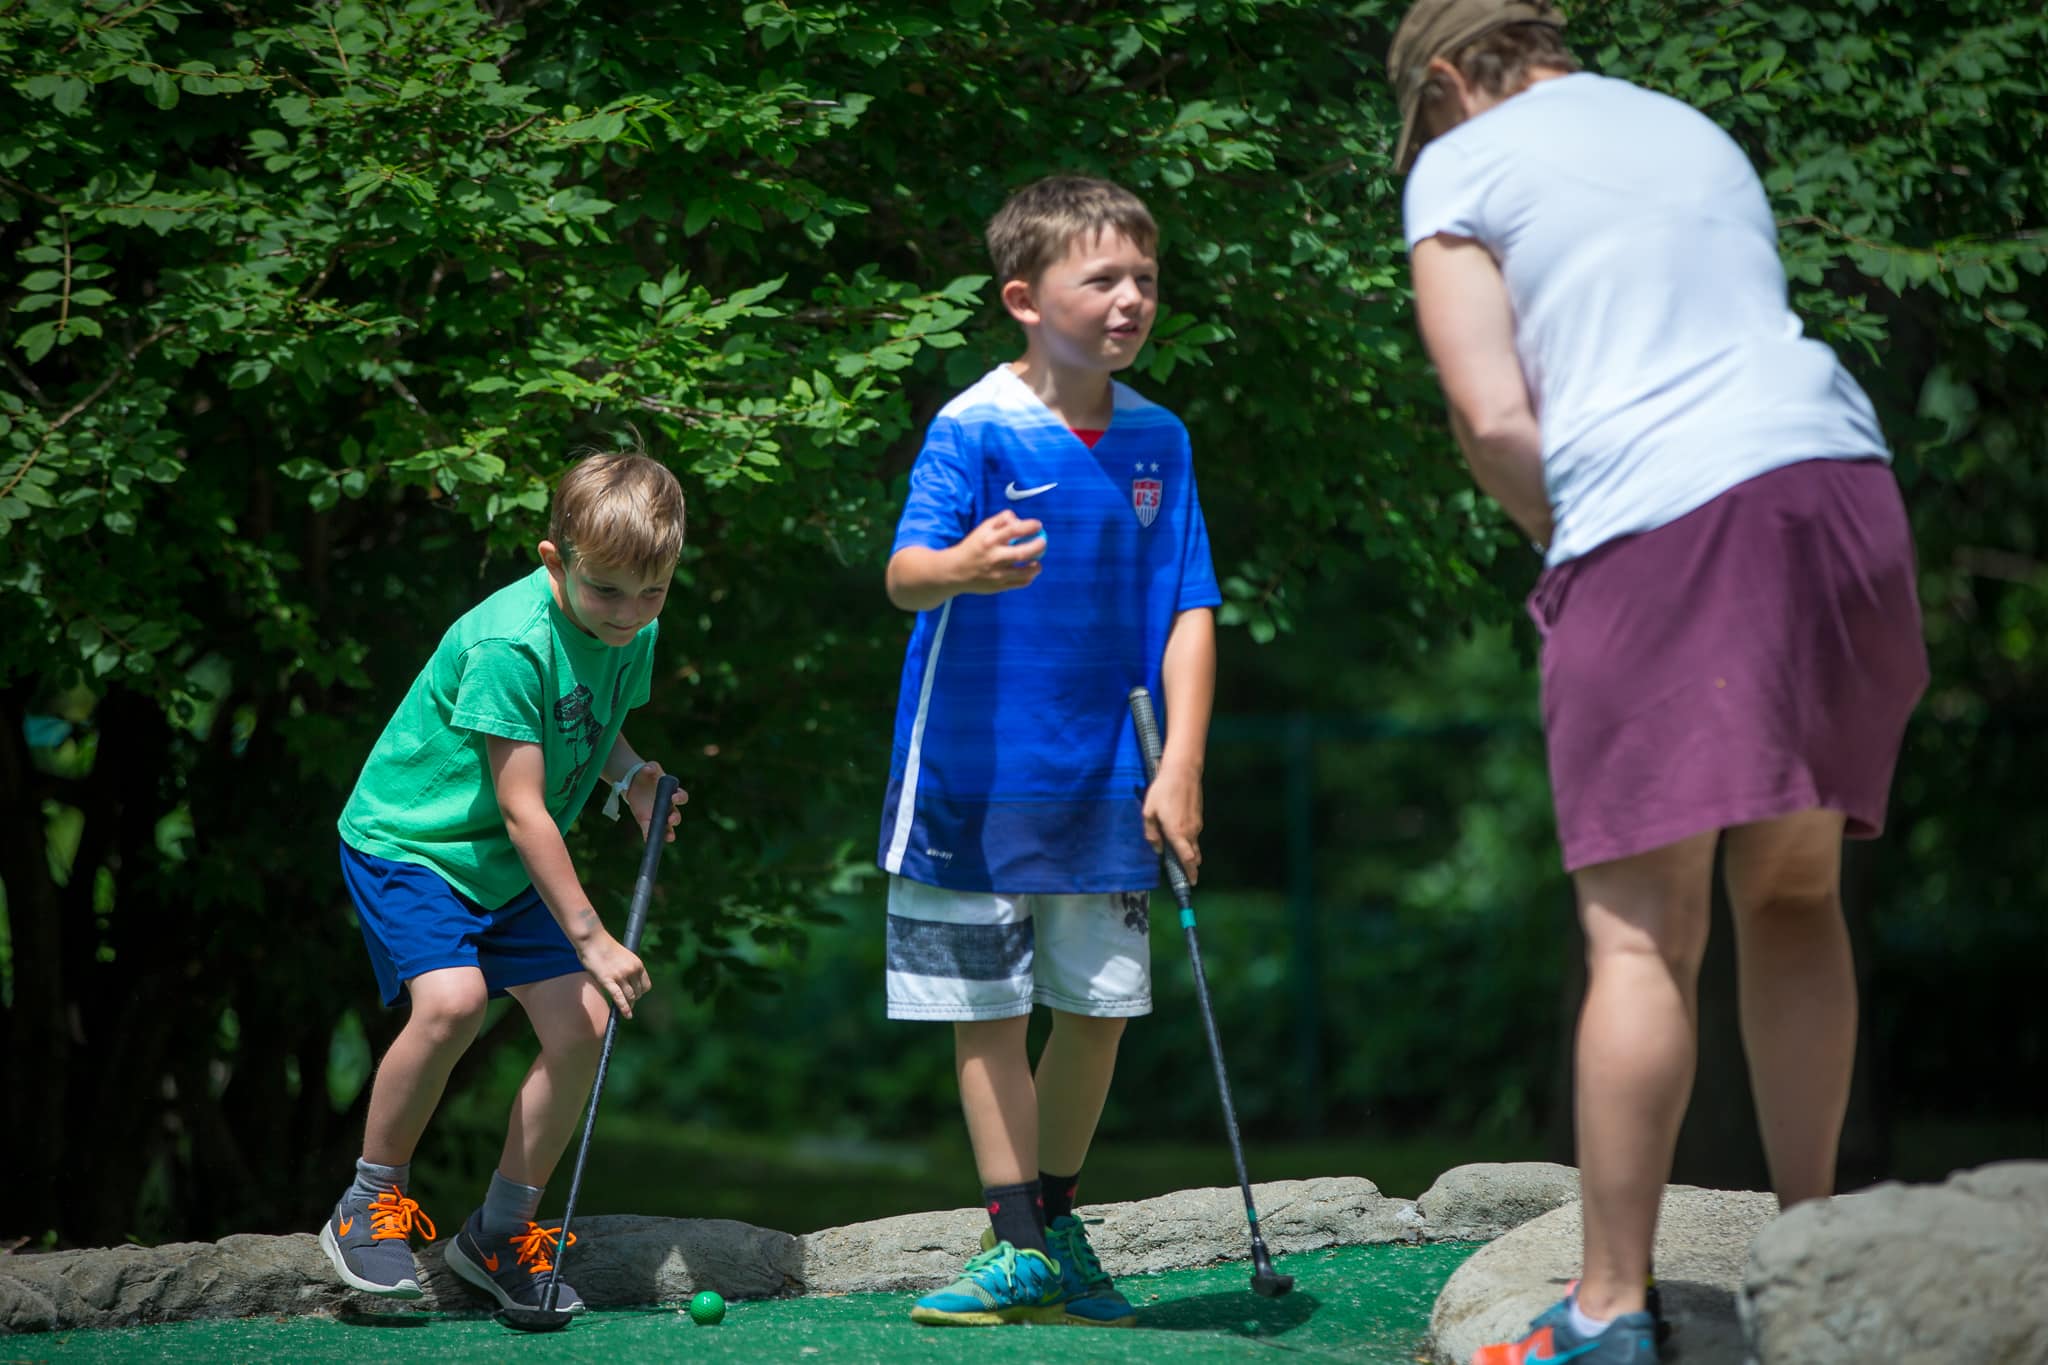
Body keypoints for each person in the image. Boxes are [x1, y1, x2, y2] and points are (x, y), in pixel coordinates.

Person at [1384, 3, 1929, 1362]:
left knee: (1639, 935)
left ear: (1448, 80)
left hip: (1670, 519)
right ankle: (1814, 1272)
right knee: (1795, 894)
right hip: (1840, 488)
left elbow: (1491, 413)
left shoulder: (1465, 159)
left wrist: (1569, 540)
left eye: (1423, 120)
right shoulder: (1687, 129)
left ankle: (1608, 1312)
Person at [878, 174, 1221, 1327]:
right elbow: (904, 576)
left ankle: (1054, 1221)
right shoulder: (971, 425)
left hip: (1111, 778)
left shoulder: (1161, 438)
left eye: (1145, 279)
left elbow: (1188, 608)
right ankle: (1016, 1241)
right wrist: (960, 567)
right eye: (1102, 278)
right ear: (1023, 299)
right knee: (986, 1006)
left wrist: (1180, 767)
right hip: (969, 782)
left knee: (1098, 1010)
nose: (1131, 300)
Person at [319, 450, 687, 1314]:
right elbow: (524, 810)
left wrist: (630, 779)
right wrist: (592, 937)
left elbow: (587, 722)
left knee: (585, 1022)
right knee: (452, 1003)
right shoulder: (510, 644)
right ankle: (368, 1201)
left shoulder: (629, 627)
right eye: (607, 591)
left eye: (653, 593)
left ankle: (497, 1231)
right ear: (554, 559)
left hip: (502, 862)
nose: (629, 614)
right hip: (414, 843)